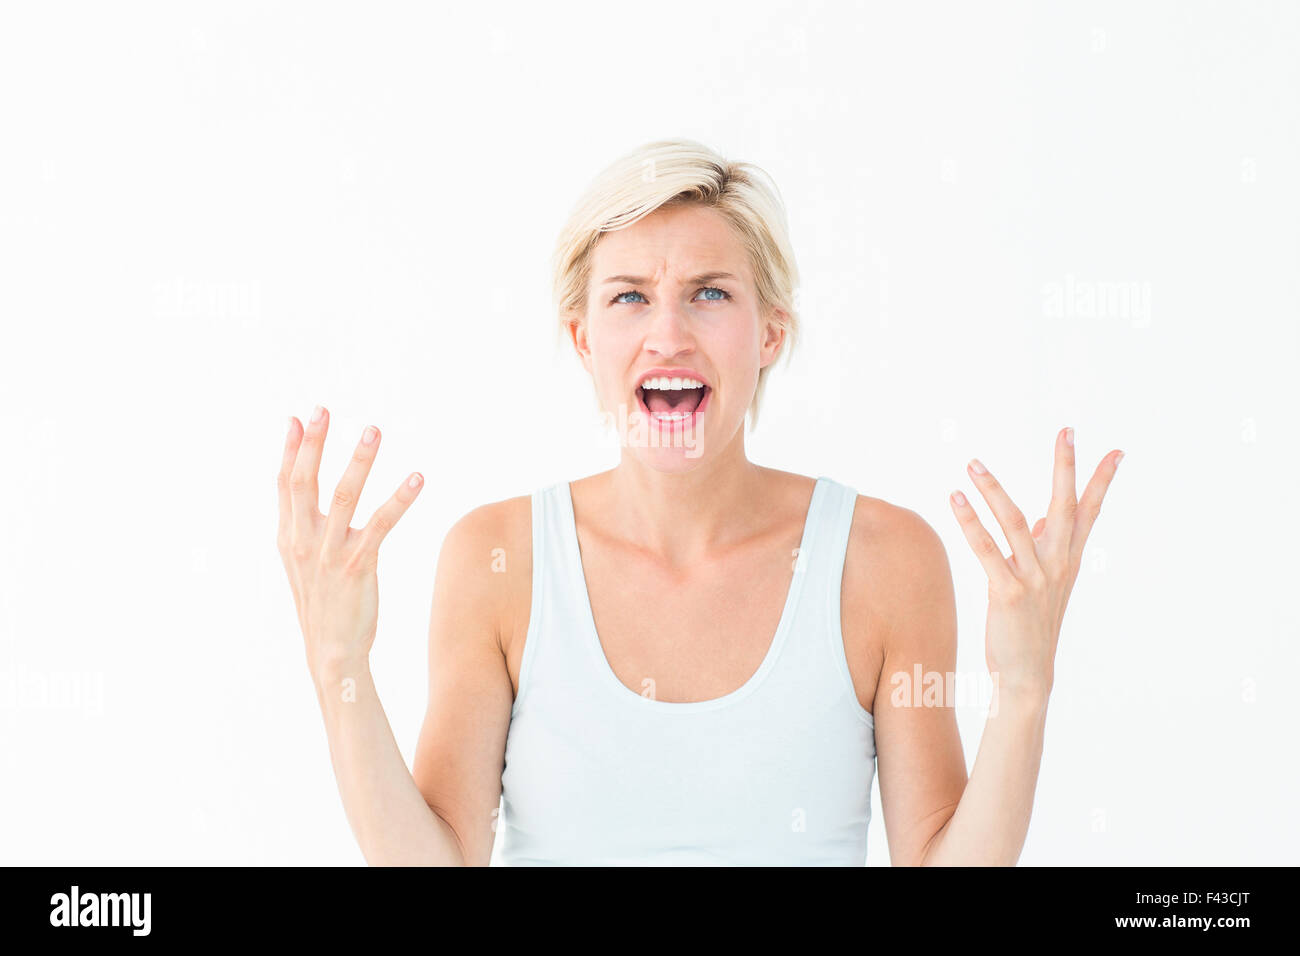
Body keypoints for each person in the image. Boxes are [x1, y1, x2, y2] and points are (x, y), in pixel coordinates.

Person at [275, 138, 1122, 866]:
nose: (668, 333)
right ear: (583, 339)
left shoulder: (886, 559)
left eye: (710, 293)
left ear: (769, 335)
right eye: (629, 296)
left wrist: (1023, 689)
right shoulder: (496, 559)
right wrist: (337, 665)